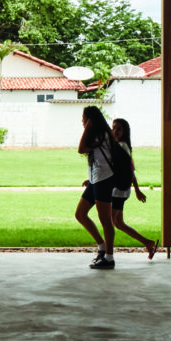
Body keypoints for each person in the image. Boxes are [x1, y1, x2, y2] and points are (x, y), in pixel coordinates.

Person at [107, 118, 160, 259]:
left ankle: (107, 254)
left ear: (124, 132)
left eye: (119, 128)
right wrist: (136, 189)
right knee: (118, 223)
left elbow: (126, 171)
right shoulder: (121, 146)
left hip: (118, 190)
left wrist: (136, 189)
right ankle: (148, 243)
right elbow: (129, 170)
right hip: (122, 190)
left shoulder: (121, 147)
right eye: (114, 128)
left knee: (110, 223)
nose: (115, 131)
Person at [73, 105, 119, 269]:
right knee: (80, 214)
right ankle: (102, 247)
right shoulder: (99, 133)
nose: (82, 121)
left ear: (91, 120)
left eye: (85, 118)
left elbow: (81, 149)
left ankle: (109, 258)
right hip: (96, 179)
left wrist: (88, 127)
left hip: (104, 179)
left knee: (105, 220)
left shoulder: (101, 134)